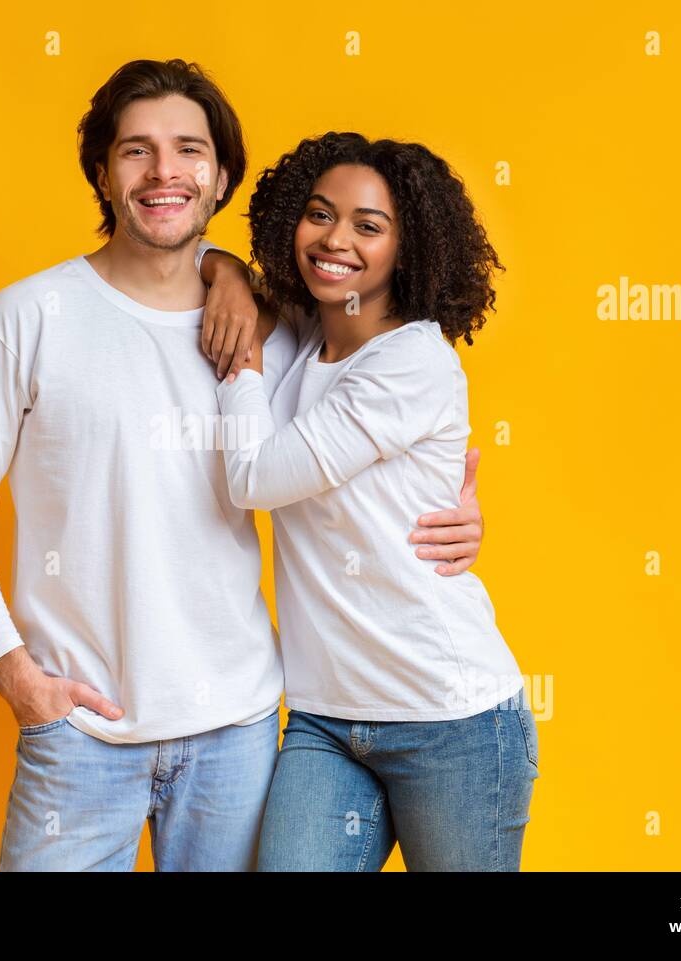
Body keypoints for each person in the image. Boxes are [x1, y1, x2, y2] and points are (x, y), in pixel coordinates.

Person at [0, 60, 486, 872]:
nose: (164, 172)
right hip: (81, 734)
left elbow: (369, 452)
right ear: (102, 174)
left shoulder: (285, 338)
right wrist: (18, 677)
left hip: (237, 736)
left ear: (221, 179)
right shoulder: (27, 319)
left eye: (188, 150)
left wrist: (455, 510)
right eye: (136, 151)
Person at [206, 132, 538, 871]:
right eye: (319, 214)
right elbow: (222, 277)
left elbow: (253, 477)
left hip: (450, 718)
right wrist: (223, 267)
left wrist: (240, 363)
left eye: (368, 225)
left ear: (407, 246)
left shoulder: (413, 360)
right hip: (326, 719)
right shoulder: (304, 338)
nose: (335, 239)